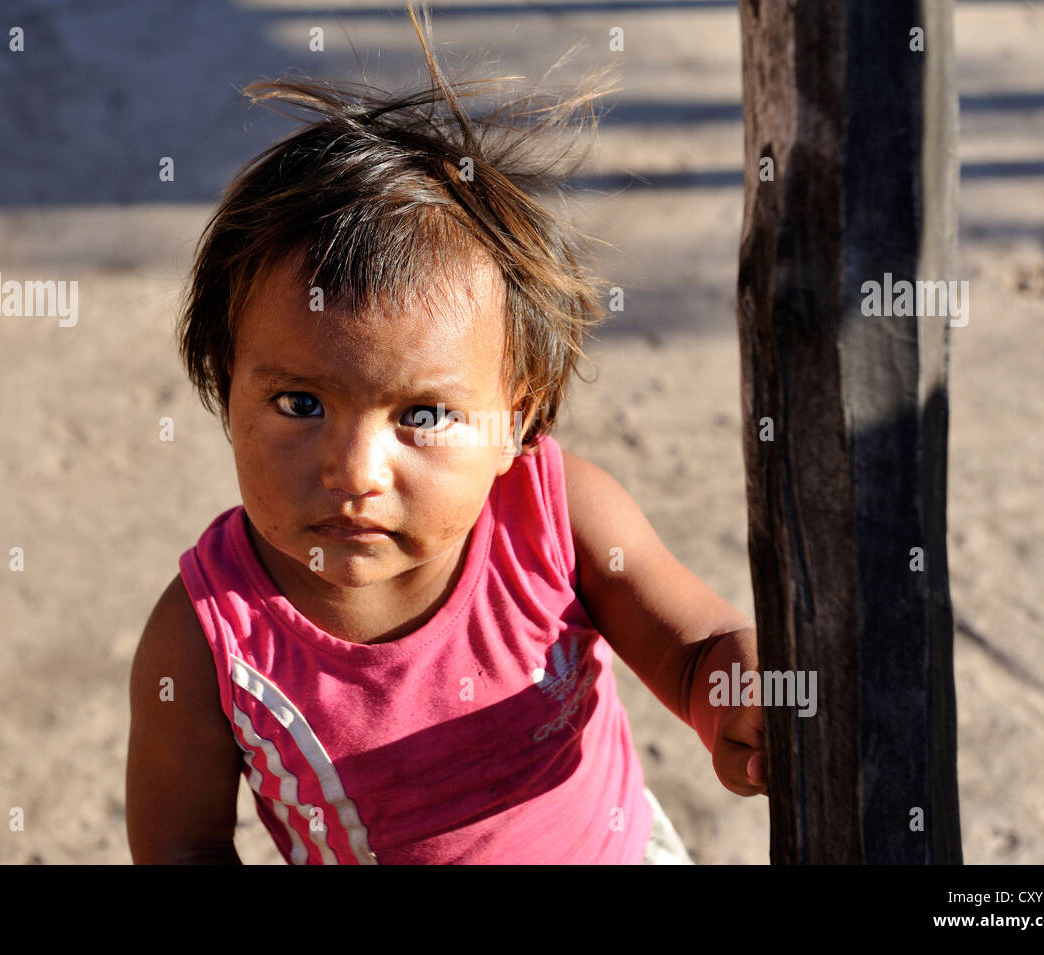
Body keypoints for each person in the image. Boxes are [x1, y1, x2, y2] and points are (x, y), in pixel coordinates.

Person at [126, 2, 765, 865]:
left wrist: (743, 692)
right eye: (300, 404)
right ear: (222, 379)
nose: (354, 470)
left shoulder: (556, 518)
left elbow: (692, 655)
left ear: (519, 419)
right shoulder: (209, 639)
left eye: (421, 416)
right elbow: (181, 845)